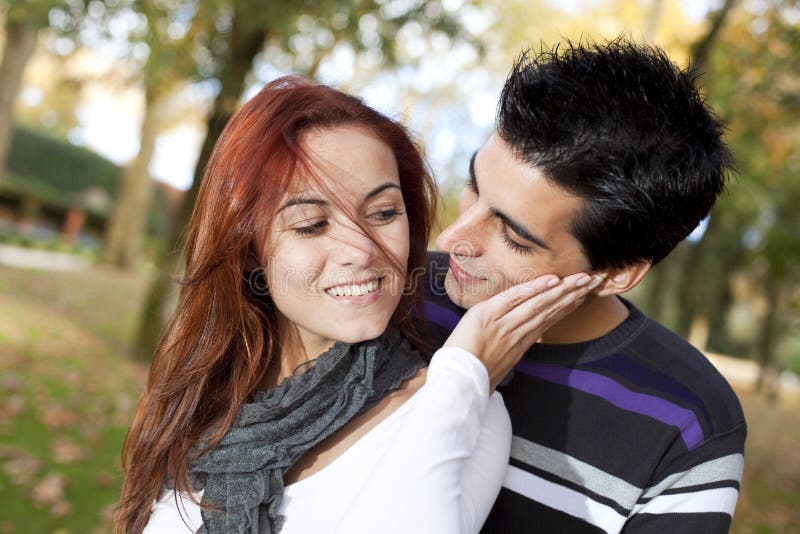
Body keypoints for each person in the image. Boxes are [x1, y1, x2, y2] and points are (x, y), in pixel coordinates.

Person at [115, 76, 595, 534]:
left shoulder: (458, 412)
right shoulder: (209, 390)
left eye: (384, 213)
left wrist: (464, 372)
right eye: (311, 223)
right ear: (248, 247)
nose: (362, 250)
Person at [423, 38, 747, 533]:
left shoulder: (688, 420)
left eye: (513, 236)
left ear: (614, 274)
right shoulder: (383, 303)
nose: (451, 239)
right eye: (474, 186)